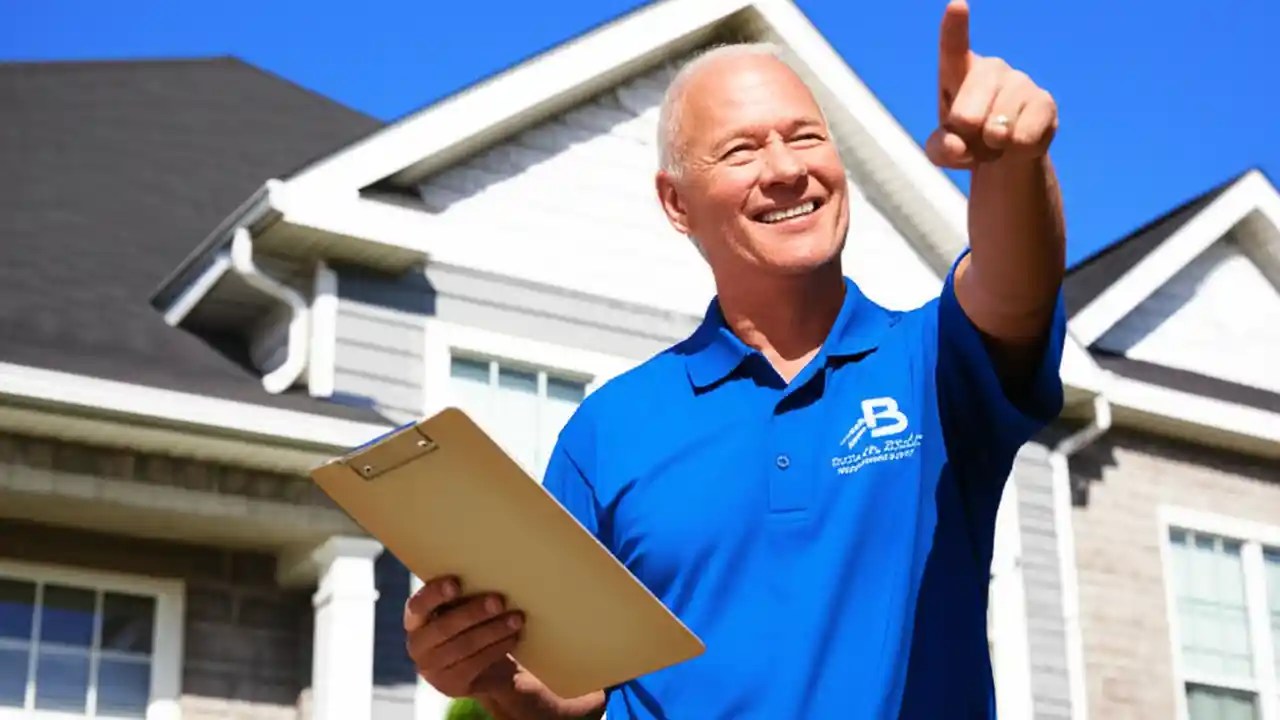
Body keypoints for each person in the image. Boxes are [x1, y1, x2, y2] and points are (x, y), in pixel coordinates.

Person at [404, 1, 1067, 717]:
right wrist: (493, 673)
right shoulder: (608, 431)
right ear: (677, 203)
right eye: (742, 150)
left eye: (806, 137)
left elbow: (1014, 287)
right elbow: (576, 691)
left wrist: (1013, 167)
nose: (786, 169)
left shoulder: (932, 365)